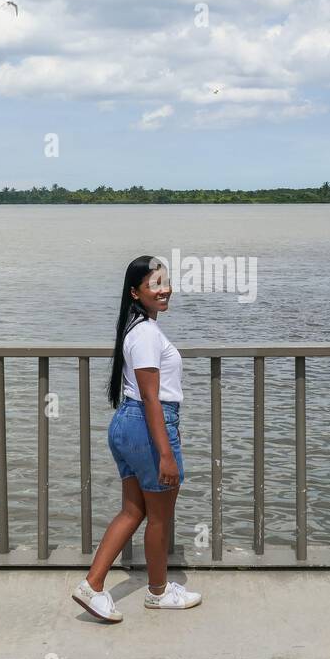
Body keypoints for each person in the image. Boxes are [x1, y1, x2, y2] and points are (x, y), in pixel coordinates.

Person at [71, 255, 202, 623]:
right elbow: (151, 398)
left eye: (165, 281)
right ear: (135, 292)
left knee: (133, 511)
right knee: (159, 517)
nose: (164, 290)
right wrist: (166, 454)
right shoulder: (144, 333)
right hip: (147, 425)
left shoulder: (138, 328)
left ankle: (92, 586)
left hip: (127, 425)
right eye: (154, 285)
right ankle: (157, 593)